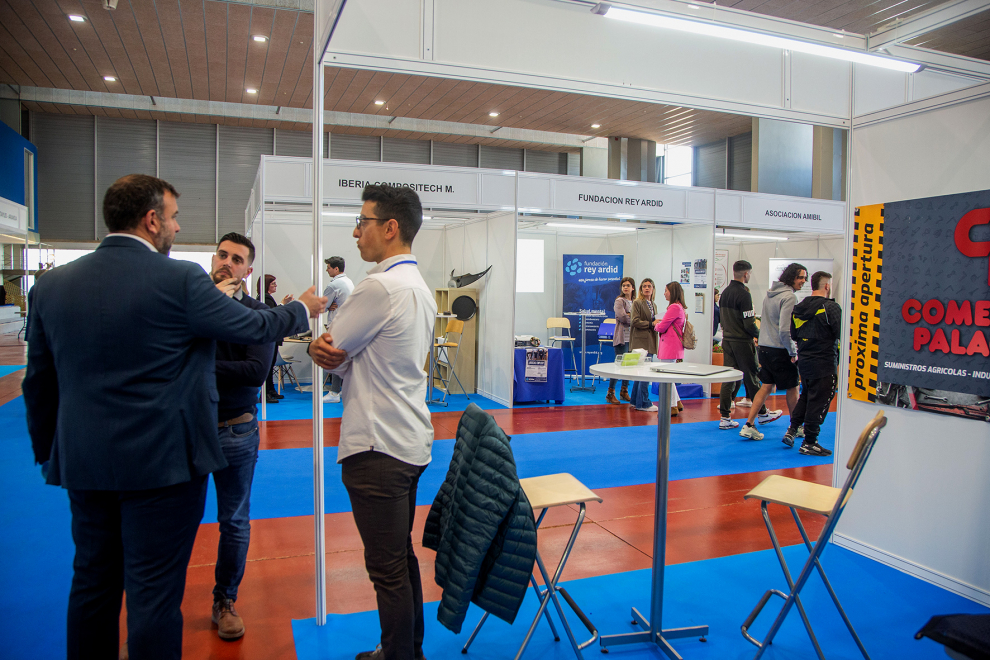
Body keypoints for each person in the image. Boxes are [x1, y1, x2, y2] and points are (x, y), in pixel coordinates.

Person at [21, 174, 325, 660]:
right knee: (153, 594)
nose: (178, 229)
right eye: (175, 217)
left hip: (84, 463)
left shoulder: (52, 285)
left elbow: (38, 382)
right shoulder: (178, 281)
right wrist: (301, 310)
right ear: (151, 219)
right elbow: (256, 324)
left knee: (92, 584)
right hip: (162, 466)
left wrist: (49, 452)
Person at [308, 184, 436, 660]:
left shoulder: (380, 286)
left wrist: (322, 351)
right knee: (399, 560)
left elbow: (331, 349)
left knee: (387, 568)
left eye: (362, 221)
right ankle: (405, 650)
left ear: (390, 227)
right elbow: (343, 356)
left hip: (377, 446)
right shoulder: (416, 286)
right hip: (406, 440)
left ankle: (398, 654)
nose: (356, 232)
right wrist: (331, 355)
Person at [208, 232, 275, 641]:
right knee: (171, 523)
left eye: (236, 259)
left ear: (247, 271)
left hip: (236, 429)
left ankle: (224, 600)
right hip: (188, 429)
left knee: (233, 522)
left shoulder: (257, 316)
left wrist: (197, 363)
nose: (227, 263)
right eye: (222, 255)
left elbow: (255, 372)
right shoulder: (190, 305)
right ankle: (155, 609)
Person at [738, 263, 807, 440]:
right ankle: (796, 426)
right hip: (779, 349)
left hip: (765, 348)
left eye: (805, 278)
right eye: (800, 277)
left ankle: (749, 424)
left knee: (766, 386)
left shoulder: (770, 294)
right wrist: (793, 351)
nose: (803, 281)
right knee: (793, 388)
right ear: (792, 277)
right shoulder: (790, 297)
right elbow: (784, 330)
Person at [785, 271, 840, 457]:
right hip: (824, 362)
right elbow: (841, 333)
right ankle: (810, 442)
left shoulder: (799, 307)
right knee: (820, 400)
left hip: (805, 361)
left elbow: (793, 334)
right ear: (827, 286)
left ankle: (792, 429)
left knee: (807, 396)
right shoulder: (830, 308)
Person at [718, 260, 775, 429]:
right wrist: (761, 336)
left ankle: (725, 417)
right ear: (746, 274)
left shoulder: (724, 293)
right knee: (752, 377)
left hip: (727, 341)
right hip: (742, 342)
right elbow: (749, 323)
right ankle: (763, 413)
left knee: (729, 378)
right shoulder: (744, 294)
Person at [257, 274, 295, 403]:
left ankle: (270, 390)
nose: (275, 285)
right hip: (269, 338)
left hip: (271, 338)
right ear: (266, 285)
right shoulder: (265, 298)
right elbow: (273, 316)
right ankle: (266, 393)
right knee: (268, 366)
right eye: (273, 283)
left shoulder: (267, 298)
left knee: (271, 365)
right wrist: (282, 304)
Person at [322, 256, 354, 404]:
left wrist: (328, 306)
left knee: (335, 357)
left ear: (336, 269)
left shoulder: (334, 285)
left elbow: (321, 306)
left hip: (337, 325)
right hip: (348, 324)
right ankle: (339, 389)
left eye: (328, 267)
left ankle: (334, 392)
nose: (327, 270)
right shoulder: (348, 282)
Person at [655, 281, 688, 417]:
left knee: (667, 377)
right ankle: (677, 403)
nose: (664, 293)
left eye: (666, 290)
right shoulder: (680, 307)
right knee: (670, 377)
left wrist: (656, 325)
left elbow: (662, 327)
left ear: (672, 292)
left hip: (669, 346)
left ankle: (672, 405)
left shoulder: (674, 307)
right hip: (673, 346)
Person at [629, 278, 659, 412]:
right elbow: (634, 321)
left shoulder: (653, 304)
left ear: (653, 289)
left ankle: (636, 400)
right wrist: (651, 324)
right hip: (640, 341)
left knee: (641, 372)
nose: (647, 288)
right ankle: (644, 403)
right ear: (641, 289)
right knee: (644, 372)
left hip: (650, 340)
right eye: (644, 286)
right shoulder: (637, 302)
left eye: (649, 286)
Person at [606, 276, 635, 404]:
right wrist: (633, 318)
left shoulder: (635, 302)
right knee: (619, 366)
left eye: (628, 285)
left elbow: (636, 316)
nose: (625, 287)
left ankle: (624, 391)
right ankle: (610, 392)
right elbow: (623, 317)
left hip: (633, 339)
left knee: (629, 366)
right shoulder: (619, 301)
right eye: (623, 285)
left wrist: (631, 315)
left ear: (633, 287)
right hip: (622, 338)